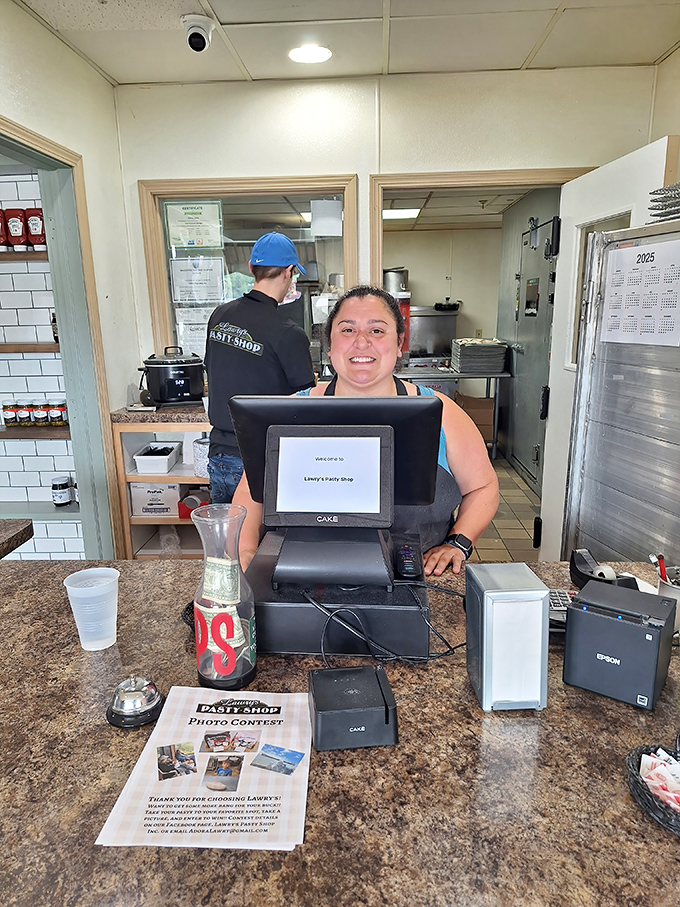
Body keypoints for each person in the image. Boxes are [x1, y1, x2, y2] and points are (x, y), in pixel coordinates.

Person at [233, 285, 499, 577]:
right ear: (330, 346)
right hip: (304, 575)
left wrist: (458, 542)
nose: (361, 343)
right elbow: (251, 491)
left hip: (414, 579)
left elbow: (483, 488)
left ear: (399, 343)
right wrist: (245, 548)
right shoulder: (289, 413)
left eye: (376, 331)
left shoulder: (441, 412)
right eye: (347, 330)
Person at [204, 232, 316, 502]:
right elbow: (307, 403)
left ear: (251, 268)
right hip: (262, 461)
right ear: (289, 273)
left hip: (219, 455)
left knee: (227, 543)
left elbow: (216, 370)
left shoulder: (219, 315)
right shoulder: (288, 332)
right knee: (264, 544)